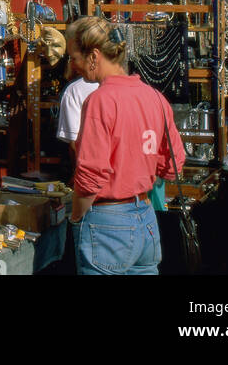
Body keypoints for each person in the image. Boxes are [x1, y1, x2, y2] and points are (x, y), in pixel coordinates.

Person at [66, 15, 184, 275]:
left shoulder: (100, 101)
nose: (73, 66)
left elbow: (91, 175)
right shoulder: (154, 97)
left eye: (74, 57)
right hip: (145, 218)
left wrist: (75, 217)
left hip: (108, 221)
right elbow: (174, 163)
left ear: (94, 56)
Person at [56, 59, 97, 170]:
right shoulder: (141, 91)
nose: (72, 64)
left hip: (90, 172)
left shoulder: (75, 90)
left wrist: (77, 174)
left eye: (73, 58)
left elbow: (74, 142)